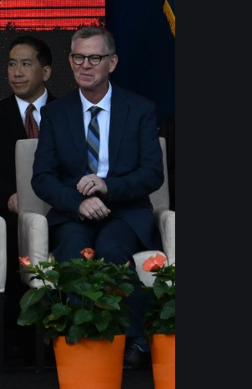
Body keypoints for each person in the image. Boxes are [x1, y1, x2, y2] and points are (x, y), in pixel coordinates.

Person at [31, 25, 164, 371]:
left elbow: (153, 173)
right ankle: (81, 337)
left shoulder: (140, 109)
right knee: (75, 249)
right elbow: (42, 178)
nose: (85, 65)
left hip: (124, 211)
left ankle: (133, 339)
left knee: (111, 249)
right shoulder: (55, 114)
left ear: (112, 62)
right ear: (70, 61)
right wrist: (77, 202)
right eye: (78, 57)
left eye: (94, 57)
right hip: (73, 213)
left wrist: (106, 187)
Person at [0, 35, 53, 355]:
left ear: (45, 72)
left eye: (25, 64)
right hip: (7, 211)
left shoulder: (67, 114)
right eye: (11, 64)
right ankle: (10, 346)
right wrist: (8, 196)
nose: (16, 72)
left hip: (57, 209)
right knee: (3, 235)